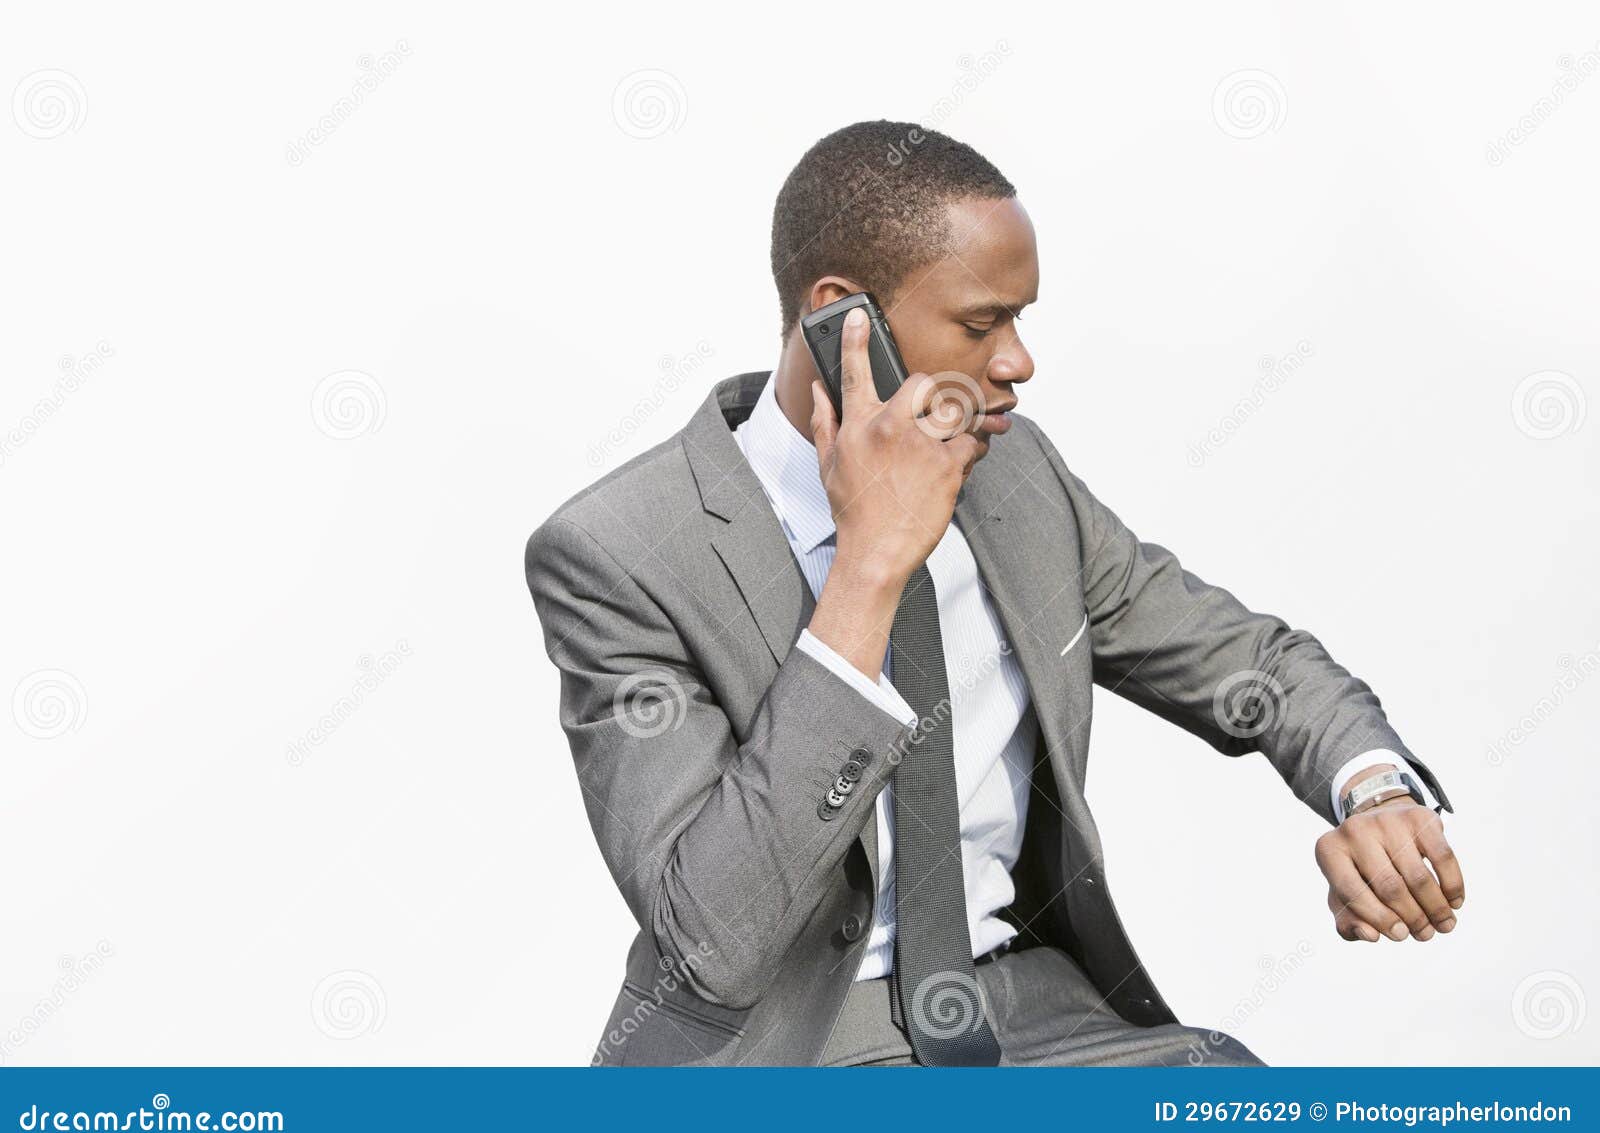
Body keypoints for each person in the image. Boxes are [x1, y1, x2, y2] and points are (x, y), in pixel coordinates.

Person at [523, 120, 1465, 1066]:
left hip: (1023, 1008)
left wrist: (1374, 792)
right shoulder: (620, 553)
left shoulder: (1013, 477)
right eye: (981, 326)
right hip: (793, 1048)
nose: (1017, 362)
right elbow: (710, 947)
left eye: (1019, 321)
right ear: (843, 318)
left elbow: (1253, 661)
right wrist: (866, 570)